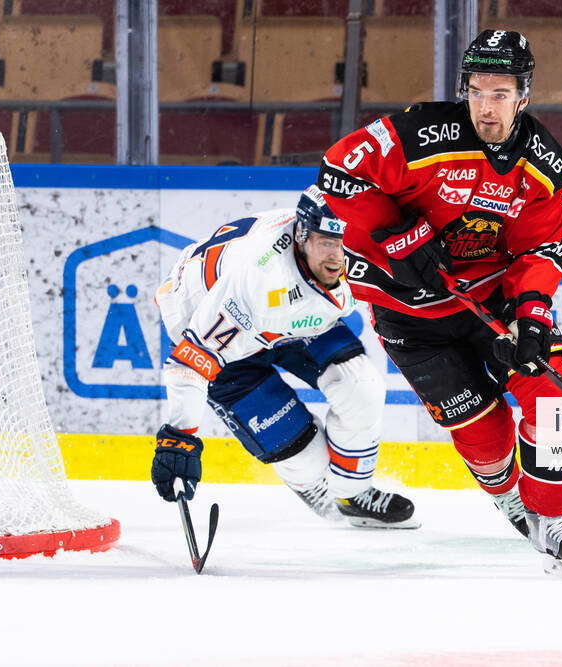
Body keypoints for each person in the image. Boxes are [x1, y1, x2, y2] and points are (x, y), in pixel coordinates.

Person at [317, 30, 562, 576]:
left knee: (554, 402)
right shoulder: (421, 133)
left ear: (524, 96)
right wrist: (400, 237)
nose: (486, 106)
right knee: (484, 435)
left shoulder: (545, 163)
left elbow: (542, 247)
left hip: (492, 302)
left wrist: (532, 314)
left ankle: (553, 518)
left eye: (500, 94)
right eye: (476, 92)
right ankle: (507, 496)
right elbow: (338, 172)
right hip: (408, 315)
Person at [150, 185, 418, 529]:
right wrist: (179, 438)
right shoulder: (257, 280)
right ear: (301, 235)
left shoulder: (361, 248)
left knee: (360, 387)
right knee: (304, 455)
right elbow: (190, 362)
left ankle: (352, 494)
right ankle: (311, 484)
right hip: (220, 327)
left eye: (345, 242)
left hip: (295, 316)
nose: (338, 257)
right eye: (326, 243)